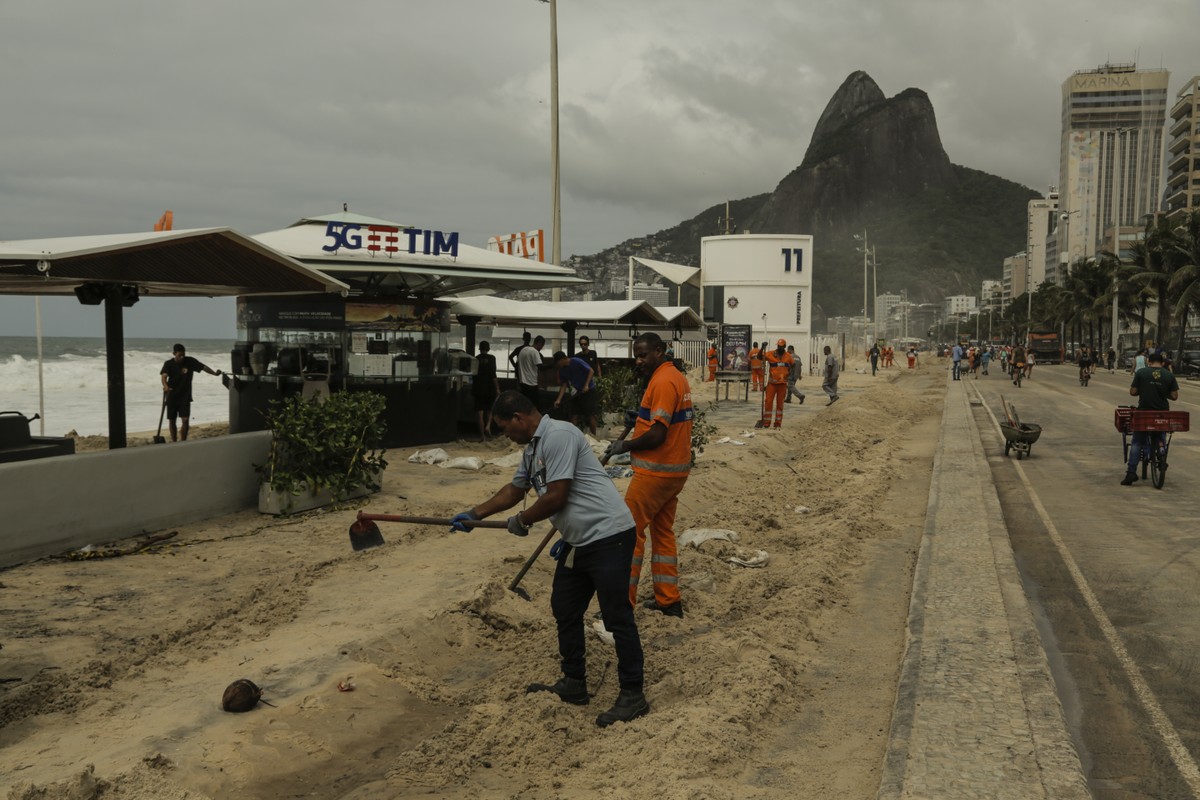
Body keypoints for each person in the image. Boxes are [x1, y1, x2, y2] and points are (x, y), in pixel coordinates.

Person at [450, 391, 649, 726]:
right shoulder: (532, 450)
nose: (506, 436)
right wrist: (475, 514)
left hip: (609, 536)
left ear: (518, 418)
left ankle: (633, 694)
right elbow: (515, 491)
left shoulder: (558, 435)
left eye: (505, 428)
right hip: (578, 541)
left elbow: (556, 496)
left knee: (617, 616)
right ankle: (574, 683)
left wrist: (523, 520)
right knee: (565, 607)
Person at [606, 332, 693, 618]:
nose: (638, 361)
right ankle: (669, 601)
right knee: (663, 533)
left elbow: (658, 433)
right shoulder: (674, 376)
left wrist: (626, 445)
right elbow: (657, 420)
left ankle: (621, 606)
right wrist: (640, 418)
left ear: (660, 351)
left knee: (629, 535)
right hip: (673, 472)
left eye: (643, 355)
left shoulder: (664, 381)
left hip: (655, 472)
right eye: (636, 355)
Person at [1122, 349, 1180, 485]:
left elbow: (1133, 392)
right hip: (1162, 413)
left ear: (1149, 362)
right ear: (1163, 362)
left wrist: (1143, 390)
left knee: (1137, 442)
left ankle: (1131, 473)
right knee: (1161, 436)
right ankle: (1161, 454)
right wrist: (1162, 392)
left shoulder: (1141, 373)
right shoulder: (1169, 375)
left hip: (1144, 413)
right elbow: (1174, 396)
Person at [160, 343, 222, 442]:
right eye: (179, 355)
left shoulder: (190, 361)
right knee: (172, 420)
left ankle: (183, 441)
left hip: (185, 396)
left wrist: (214, 373)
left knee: (185, 420)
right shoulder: (168, 364)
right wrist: (166, 386)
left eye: (183, 354)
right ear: (174, 353)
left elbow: (204, 367)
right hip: (172, 395)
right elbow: (164, 377)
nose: (182, 357)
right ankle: (174, 441)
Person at [552, 350, 599, 437]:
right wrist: (558, 400)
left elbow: (591, 371)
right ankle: (572, 437)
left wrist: (586, 385)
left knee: (591, 415)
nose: (558, 365)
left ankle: (594, 436)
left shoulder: (576, 361)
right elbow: (564, 385)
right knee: (574, 415)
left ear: (562, 359)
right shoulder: (562, 370)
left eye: (558, 363)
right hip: (577, 392)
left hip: (588, 390)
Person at [762, 339, 794, 428]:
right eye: (778, 346)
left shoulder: (788, 356)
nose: (779, 348)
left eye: (781, 346)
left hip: (782, 384)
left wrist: (788, 374)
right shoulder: (771, 354)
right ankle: (766, 422)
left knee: (780, 404)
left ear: (784, 347)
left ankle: (777, 423)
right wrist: (762, 347)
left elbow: (793, 365)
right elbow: (760, 357)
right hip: (772, 384)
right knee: (768, 403)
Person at [473, 341, 500, 441]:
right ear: (488, 348)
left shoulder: (475, 359)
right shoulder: (492, 358)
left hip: (478, 388)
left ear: (479, 348)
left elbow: (472, 374)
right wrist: (497, 388)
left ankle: (482, 437)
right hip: (489, 388)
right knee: (490, 409)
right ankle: (488, 426)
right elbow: (493, 375)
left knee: (479, 412)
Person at [517, 335, 545, 408]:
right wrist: (554, 365)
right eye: (542, 346)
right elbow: (541, 367)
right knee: (534, 406)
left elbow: (517, 365)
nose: (541, 349)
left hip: (522, 383)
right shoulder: (534, 351)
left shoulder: (523, 350)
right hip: (531, 384)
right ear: (539, 344)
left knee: (524, 405)